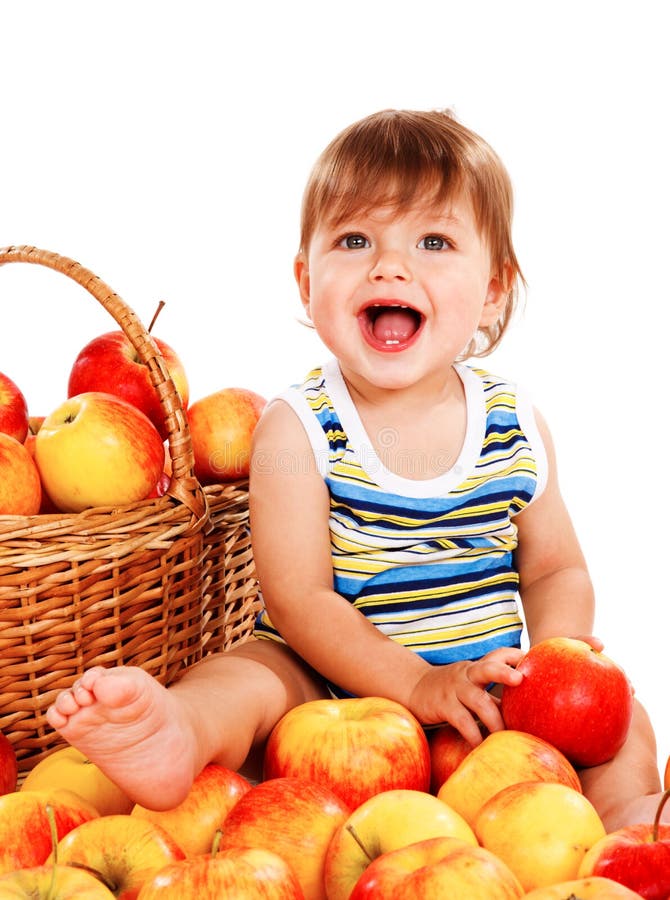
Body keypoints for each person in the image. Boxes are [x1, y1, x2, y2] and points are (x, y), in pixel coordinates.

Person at [46, 108, 663, 831]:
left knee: (624, 721)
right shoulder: (298, 427)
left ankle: (629, 826)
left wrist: (551, 671)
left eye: (433, 241)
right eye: (355, 239)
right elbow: (301, 598)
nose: (389, 265)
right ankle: (176, 732)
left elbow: (557, 568)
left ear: (494, 288)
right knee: (246, 677)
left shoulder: (513, 422)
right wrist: (415, 684)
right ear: (308, 281)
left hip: (481, 695)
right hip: (330, 689)